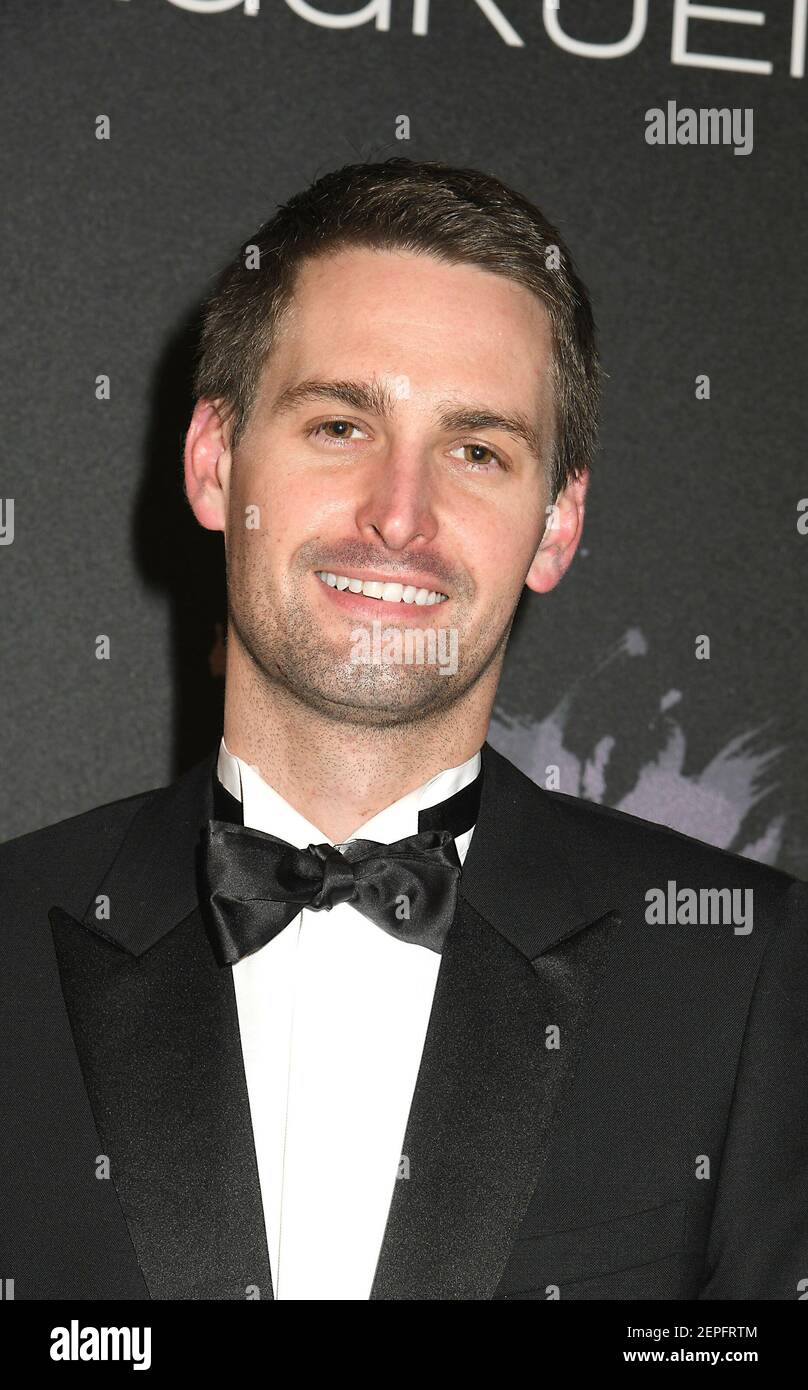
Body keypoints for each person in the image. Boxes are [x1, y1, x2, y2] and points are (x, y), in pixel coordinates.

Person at [2, 158, 806, 1301]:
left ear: (556, 523)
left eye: (477, 450)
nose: (399, 515)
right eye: (339, 425)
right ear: (216, 461)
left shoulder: (744, 977)